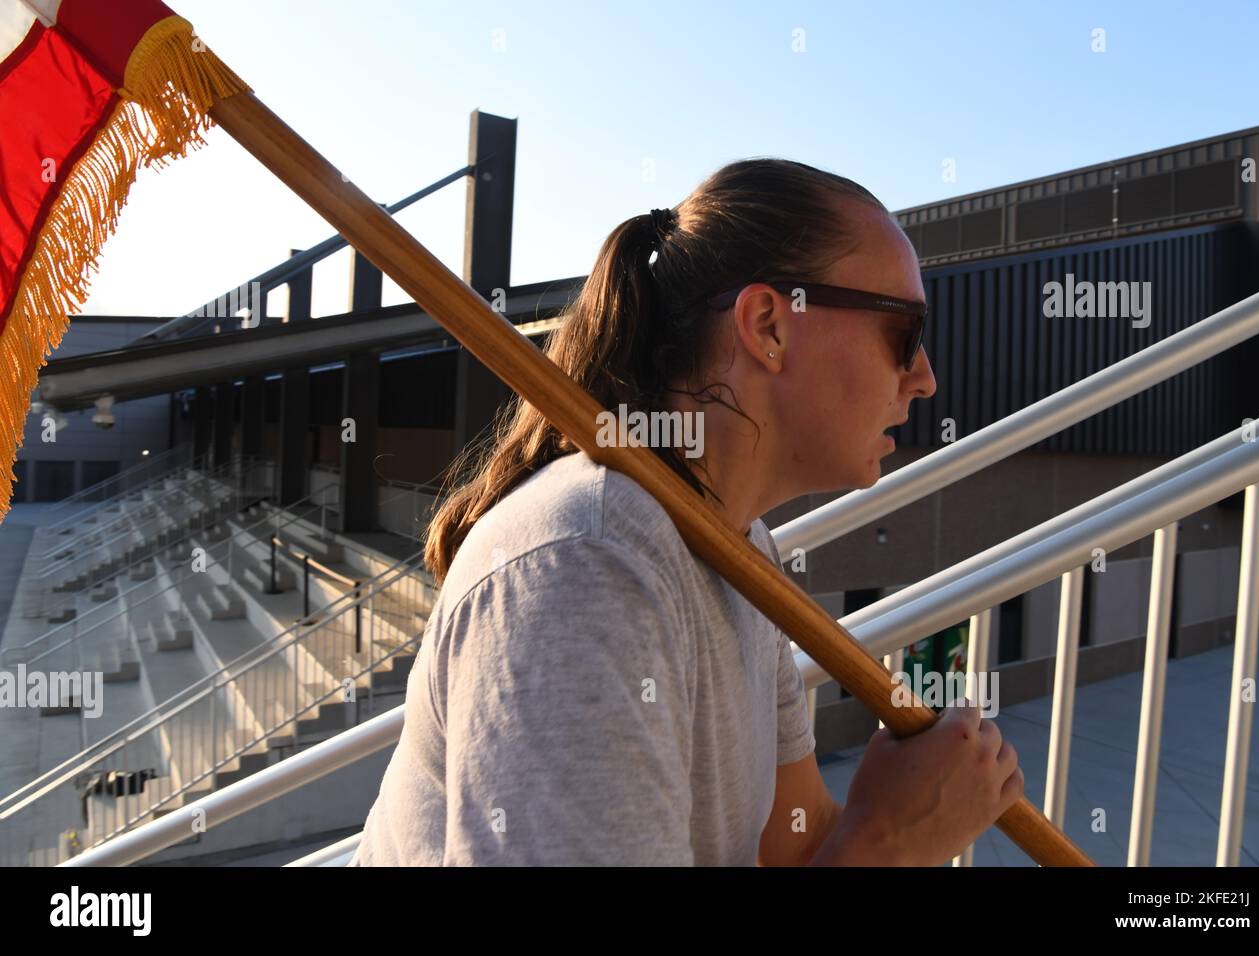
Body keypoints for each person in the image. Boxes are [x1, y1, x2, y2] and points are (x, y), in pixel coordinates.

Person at [349, 157, 1023, 866]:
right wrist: (888, 843)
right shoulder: (587, 566)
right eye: (904, 332)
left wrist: (915, 807)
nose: (925, 379)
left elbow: (793, 843)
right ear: (769, 324)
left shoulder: (737, 546)